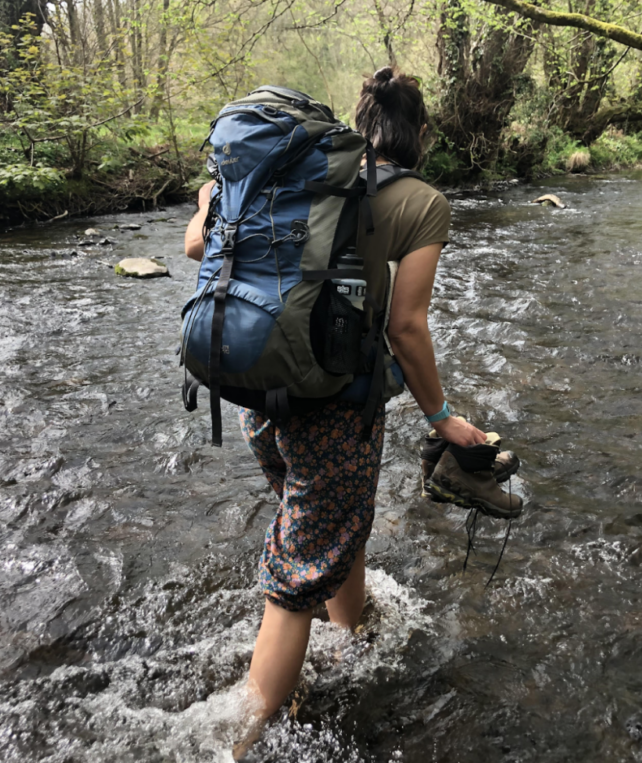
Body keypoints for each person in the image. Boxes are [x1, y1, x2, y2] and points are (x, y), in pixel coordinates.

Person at [183, 66, 488, 740]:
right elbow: (407, 328)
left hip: (260, 392)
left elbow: (197, 243)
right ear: (422, 133)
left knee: (330, 526)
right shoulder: (422, 202)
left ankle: (350, 636)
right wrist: (442, 418)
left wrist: (210, 199)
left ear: (357, 125)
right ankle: (239, 739)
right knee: (298, 576)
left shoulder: (297, 179)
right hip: (335, 409)